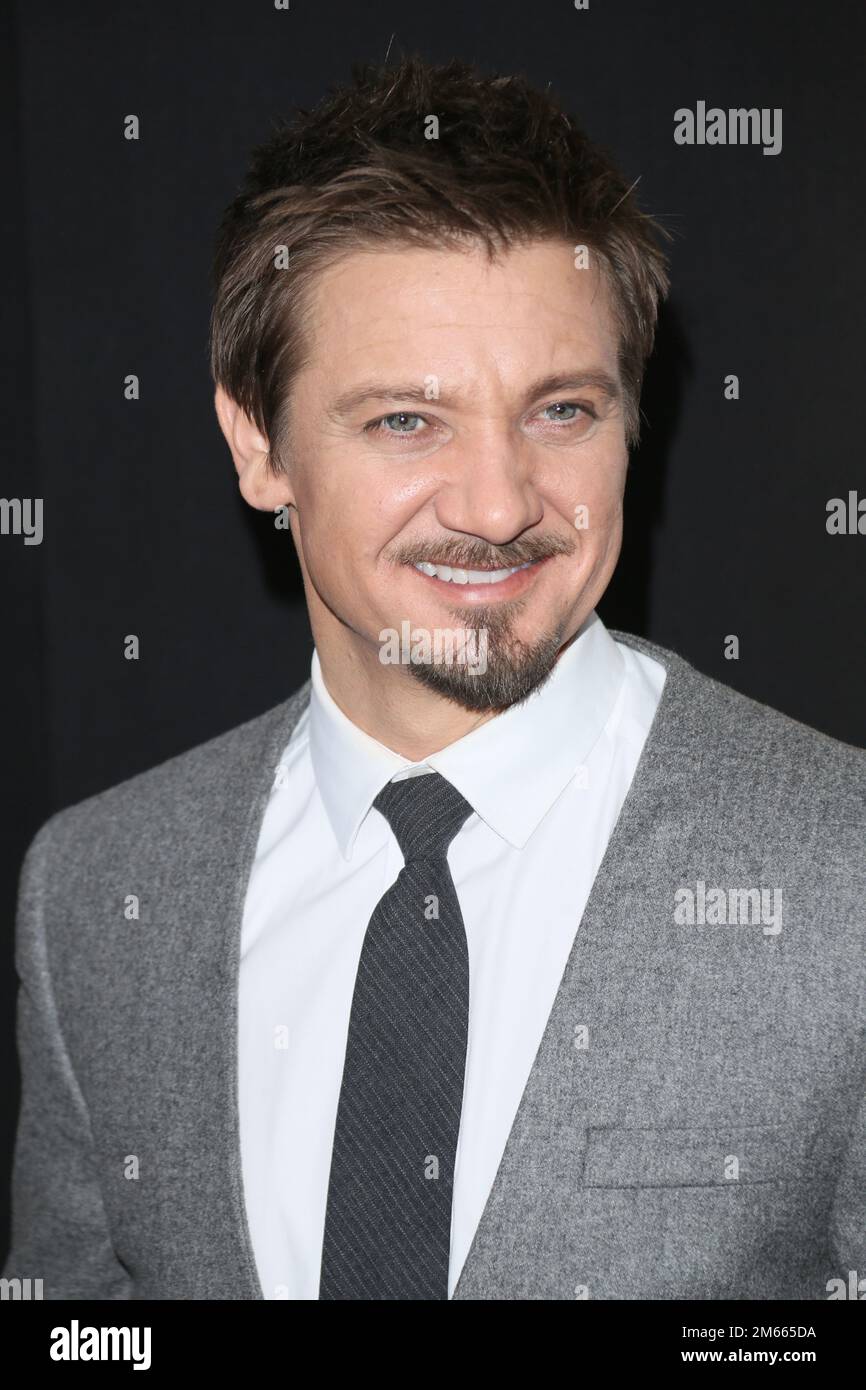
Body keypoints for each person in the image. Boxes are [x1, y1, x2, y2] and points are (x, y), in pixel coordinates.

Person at [4, 56, 864, 1301]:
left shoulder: (841, 871)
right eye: (407, 420)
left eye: (560, 410)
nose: (500, 503)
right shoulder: (94, 891)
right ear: (258, 443)